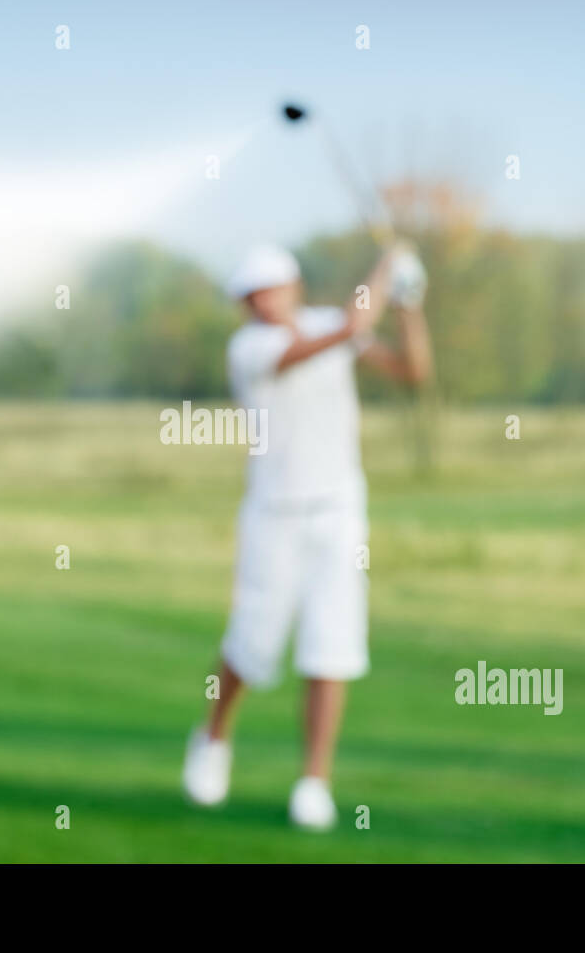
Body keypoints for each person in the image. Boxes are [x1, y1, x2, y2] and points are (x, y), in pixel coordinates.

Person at [183, 241, 432, 829]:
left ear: (292, 285)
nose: (261, 303)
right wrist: (388, 264)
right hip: (273, 513)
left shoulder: (327, 326)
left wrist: (410, 303)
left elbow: (413, 371)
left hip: (339, 509)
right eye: (250, 296)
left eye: (269, 290)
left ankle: (314, 782)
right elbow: (351, 323)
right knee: (252, 639)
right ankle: (213, 738)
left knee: (332, 644)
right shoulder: (250, 348)